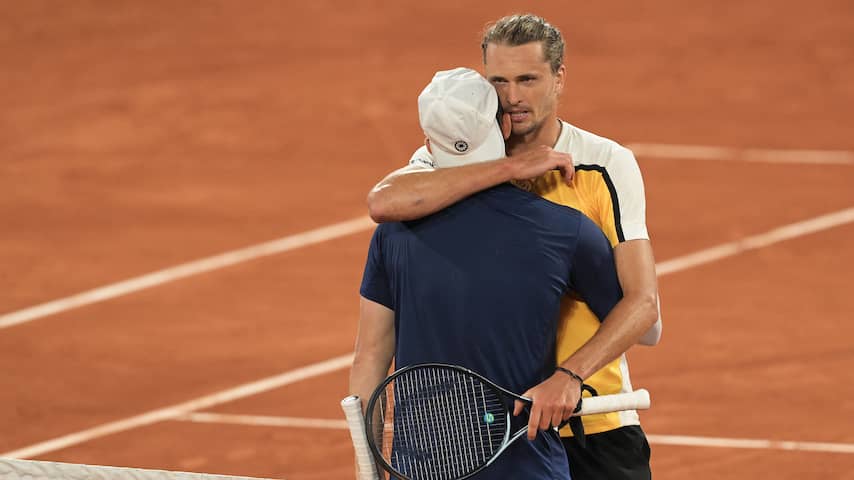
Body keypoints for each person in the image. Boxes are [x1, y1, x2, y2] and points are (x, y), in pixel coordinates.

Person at [365, 14, 660, 480]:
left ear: (559, 78)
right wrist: (509, 169)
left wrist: (571, 374)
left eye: (528, 79)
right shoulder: (448, 161)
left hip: (591, 416)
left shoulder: (604, 164)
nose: (513, 96)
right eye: (498, 81)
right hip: (497, 430)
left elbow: (645, 309)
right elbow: (384, 201)